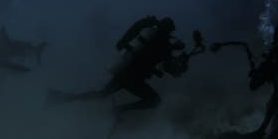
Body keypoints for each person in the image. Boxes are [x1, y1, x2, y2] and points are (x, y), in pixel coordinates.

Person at [48, 16, 200, 113]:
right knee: (154, 100)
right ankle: (119, 110)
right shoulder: (164, 45)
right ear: (169, 31)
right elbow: (171, 70)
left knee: (101, 94)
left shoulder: (151, 38)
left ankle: (61, 97)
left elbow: (124, 46)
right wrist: (179, 58)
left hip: (123, 73)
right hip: (132, 79)